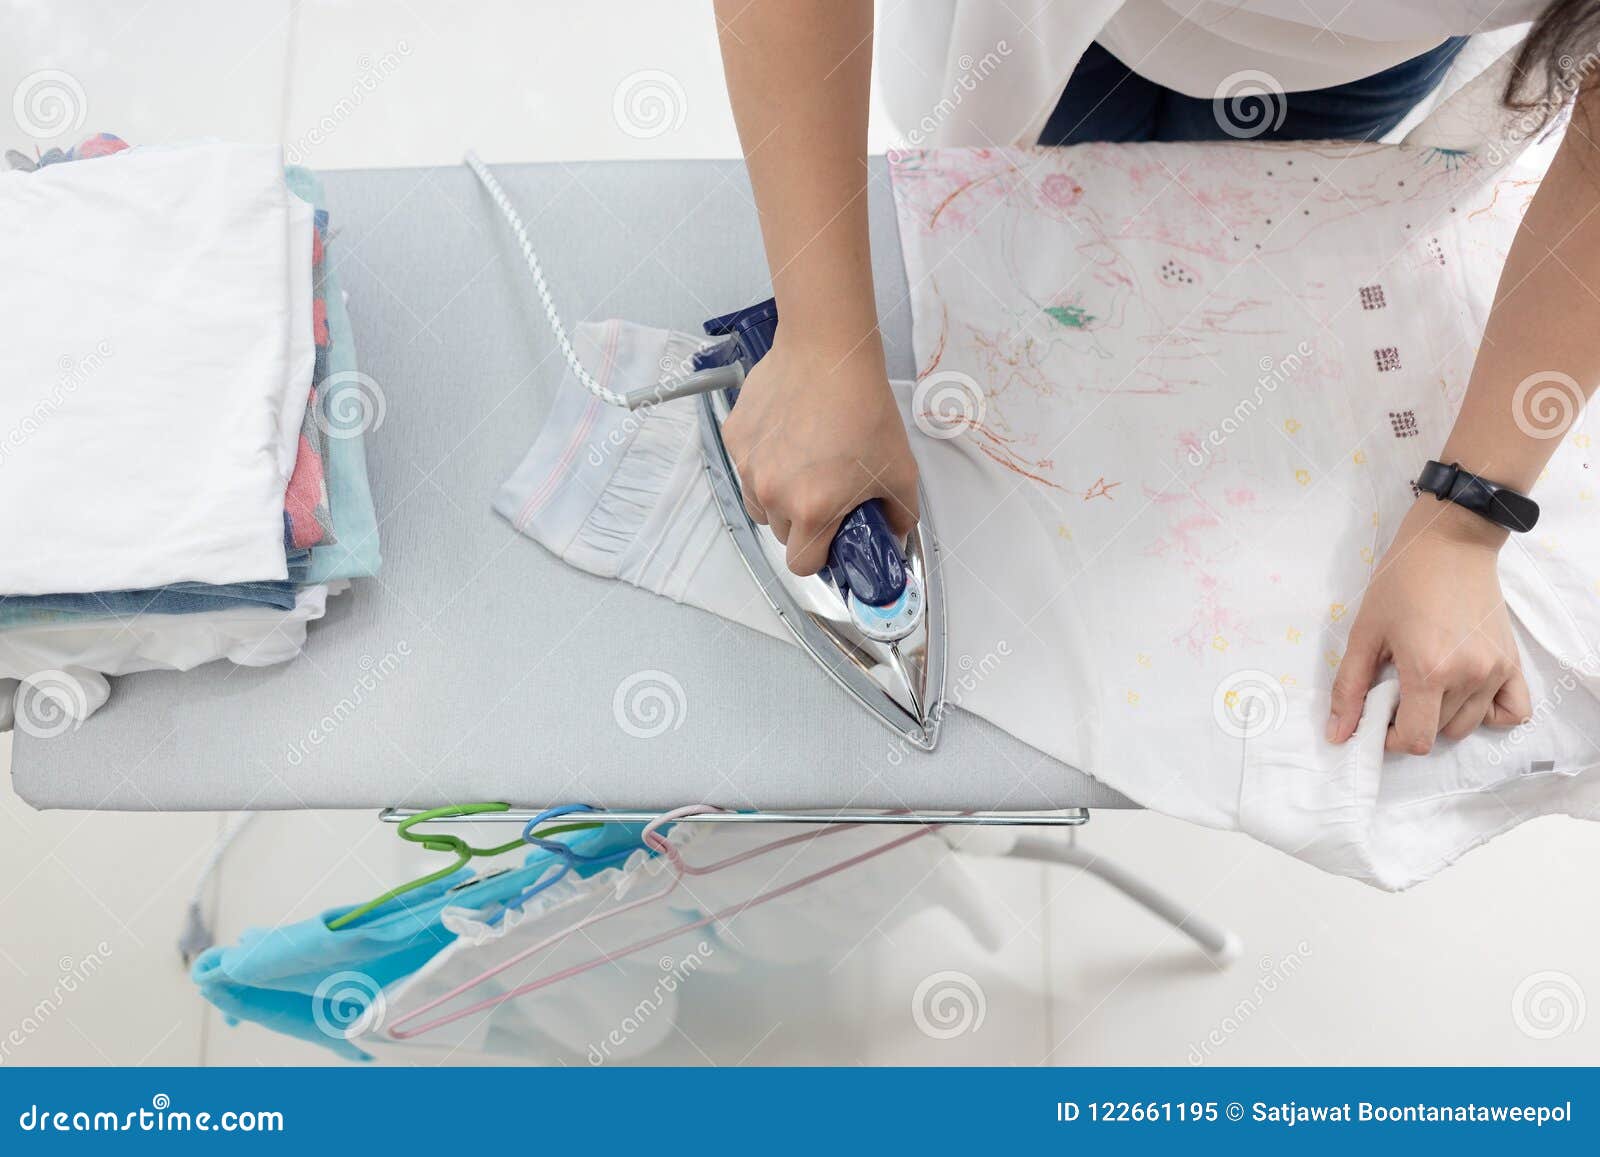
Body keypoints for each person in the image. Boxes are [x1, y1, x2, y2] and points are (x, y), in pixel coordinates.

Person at [711, 0, 1600, 756]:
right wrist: (823, 340)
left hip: (1352, 63)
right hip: (1065, 29)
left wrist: (1466, 520)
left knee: (1192, 271)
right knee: (1032, 234)